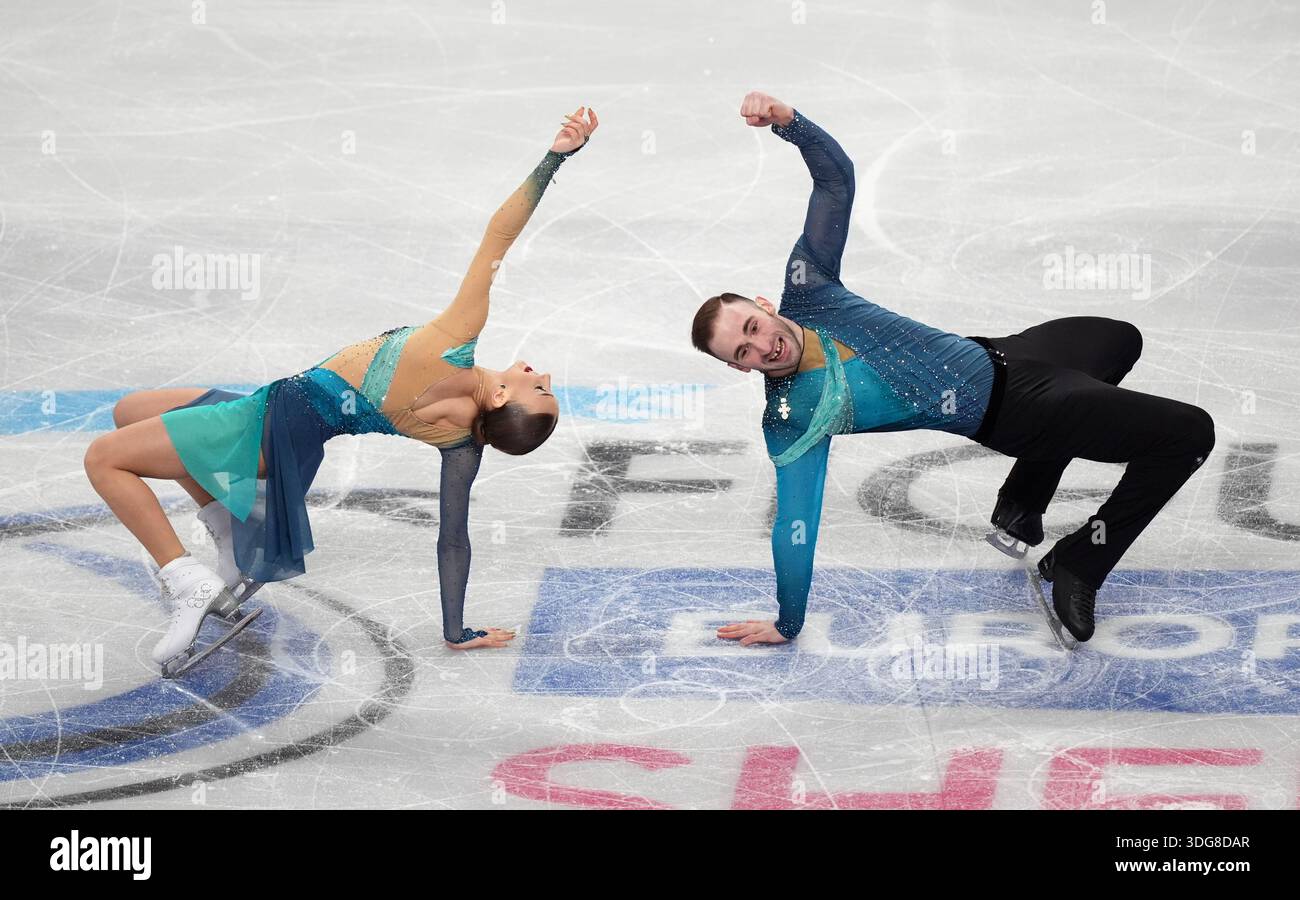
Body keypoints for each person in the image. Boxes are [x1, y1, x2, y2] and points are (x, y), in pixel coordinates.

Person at [688, 91, 1213, 646]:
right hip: (1019, 410)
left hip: (1006, 351)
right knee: (1189, 434)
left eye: (751, 328)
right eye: (741, 354)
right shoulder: (794, 416)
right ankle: (1082, 560)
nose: (760, 347)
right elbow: (796, 524)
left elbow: (835, 184)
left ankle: (1022, 500)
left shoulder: (808, 288)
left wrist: (790, 124)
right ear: (740, 370)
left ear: (763, 306)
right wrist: (786, 621)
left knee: (1117, 340)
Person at [84, 106, 598, 671]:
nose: (543, 375)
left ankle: (185, 580)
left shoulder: (456, 337)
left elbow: (500, 232)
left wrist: (556, 157)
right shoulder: (461, 445)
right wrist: (456, 629)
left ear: (502, 399)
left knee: (105, 459)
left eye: (541, 389)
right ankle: (231, 536)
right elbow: (453, 538)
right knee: (131, 412)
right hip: (281, 426)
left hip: (266, 427)